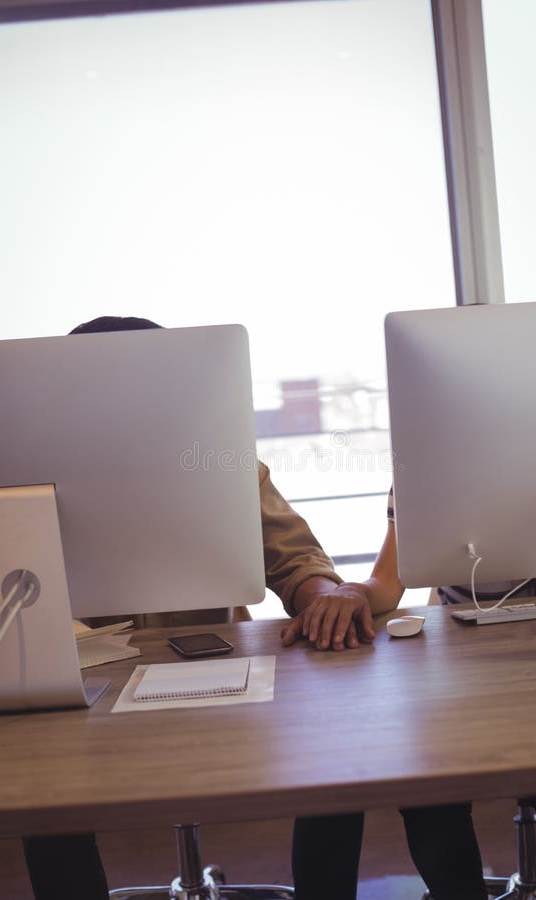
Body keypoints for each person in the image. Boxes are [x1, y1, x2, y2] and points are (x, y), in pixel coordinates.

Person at [22, 316, 399, 900]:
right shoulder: (23, 477)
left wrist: (326, 595)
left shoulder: (222, 465)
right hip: (85, 695)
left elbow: (295, 561)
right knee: (35, 782)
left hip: (217, 685)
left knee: (337, 758)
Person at [293, 493, 536, 900]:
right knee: (427, 795)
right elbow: (387, 580)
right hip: (461, 674)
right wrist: (354, 592)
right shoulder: (425, 456)